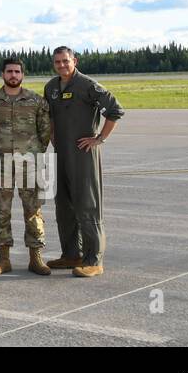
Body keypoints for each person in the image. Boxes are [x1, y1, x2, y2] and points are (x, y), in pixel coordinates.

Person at [45, 47, 123, 278]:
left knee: (87, 206)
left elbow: (115, 110)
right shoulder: (51, 87)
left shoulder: (87, 85)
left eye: (65, 61)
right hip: (61, 154)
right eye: (57, 62)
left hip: (83, 154)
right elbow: (48, 115)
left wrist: (100, 138)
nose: (62, 65)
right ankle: (71, 255)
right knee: (64, 206)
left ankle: (93, 259)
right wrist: (52, 135)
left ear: (74, 61)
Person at [0, 57, 52, 276]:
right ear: (2, 74)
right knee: (0, 210)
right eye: (9, 71)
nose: (13, 75)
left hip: (30, 164)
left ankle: (36, 257)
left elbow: (45, 131)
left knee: (33, 210)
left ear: (22, 75)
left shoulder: (36, 101)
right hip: (1, 164)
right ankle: (3, 258)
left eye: (17, 72)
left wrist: (35, 152)